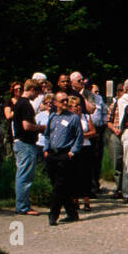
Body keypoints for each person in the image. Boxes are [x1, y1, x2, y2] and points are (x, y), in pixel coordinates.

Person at [43, 91, 84, 226]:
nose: (65, 103)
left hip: (65, 154)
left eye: (66, 100)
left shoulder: (73, 118)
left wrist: (72, 152)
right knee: (58, 185)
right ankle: (72, 213)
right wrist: (46, 149)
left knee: (59, 185)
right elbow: (47, 134)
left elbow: (79, 137)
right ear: (55, 103)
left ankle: (53, 215)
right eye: (62, 101)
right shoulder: (52, 117)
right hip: (52, 154)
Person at [12, 79, 43, 217]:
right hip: (25, 143)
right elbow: (27, 126)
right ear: (32, 90)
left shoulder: (20, 102)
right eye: (36, 93)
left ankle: (22, 204)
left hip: (21, 142)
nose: (37, 96)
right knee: (25, 175)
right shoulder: (25, 104)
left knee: (23, 174)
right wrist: (42, 127)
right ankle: (23, 206)